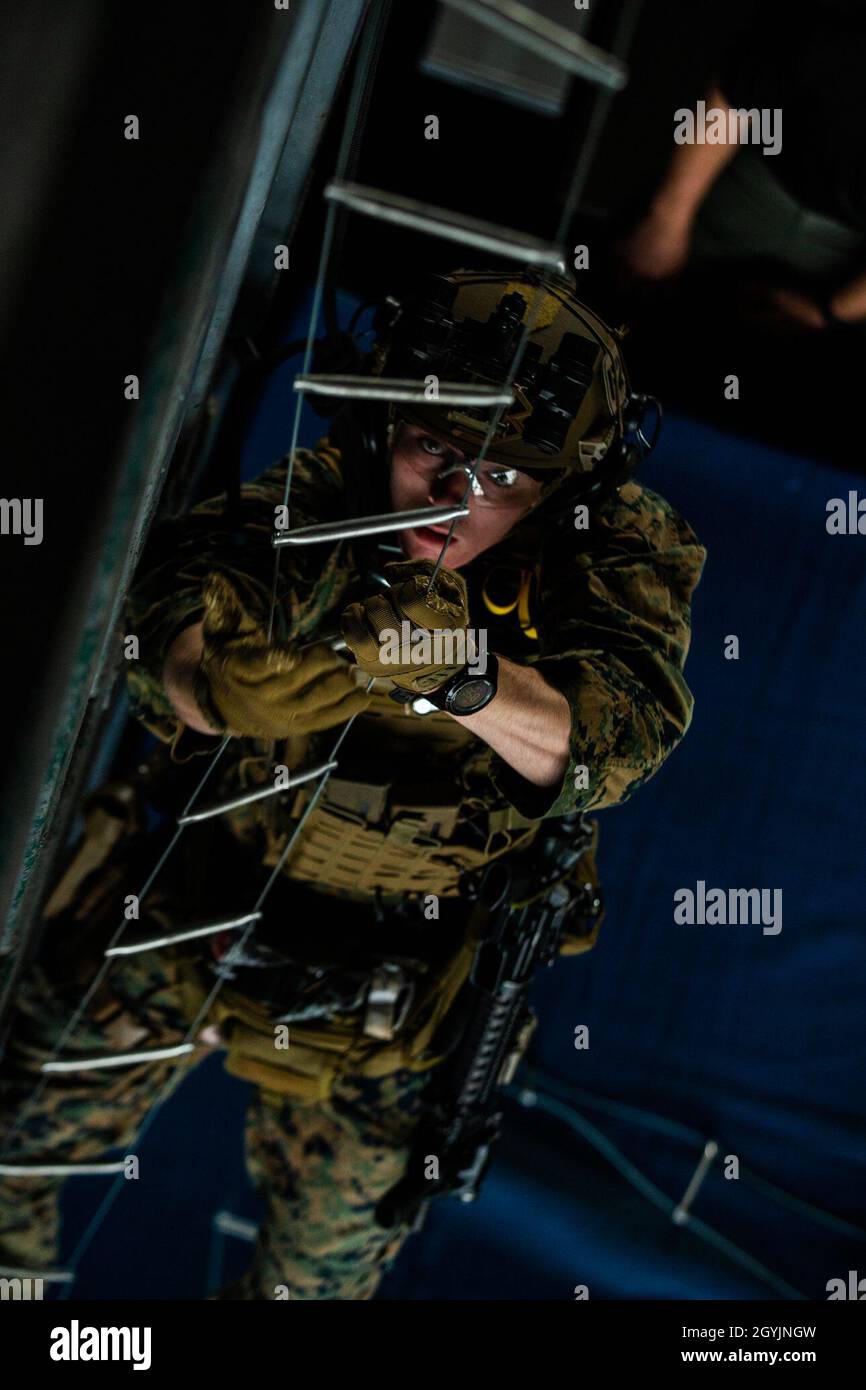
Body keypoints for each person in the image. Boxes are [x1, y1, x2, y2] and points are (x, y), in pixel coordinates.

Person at [0, 268, 706, 1300]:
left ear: (559, 487)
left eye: (503, 478)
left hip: (402, 990)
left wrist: (466, 672)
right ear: (390, 427)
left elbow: (622, 737)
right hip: (203, 904)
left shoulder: (611, 547)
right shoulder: (329, 488)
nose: (452, 500)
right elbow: (175, 607)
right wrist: (220, 685)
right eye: (435, 453)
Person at [618, 2, 866, 332]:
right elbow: (741, 92)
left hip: (846, 250)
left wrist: (826, 313)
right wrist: (668, 220)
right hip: (760, 175)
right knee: (635, 277)